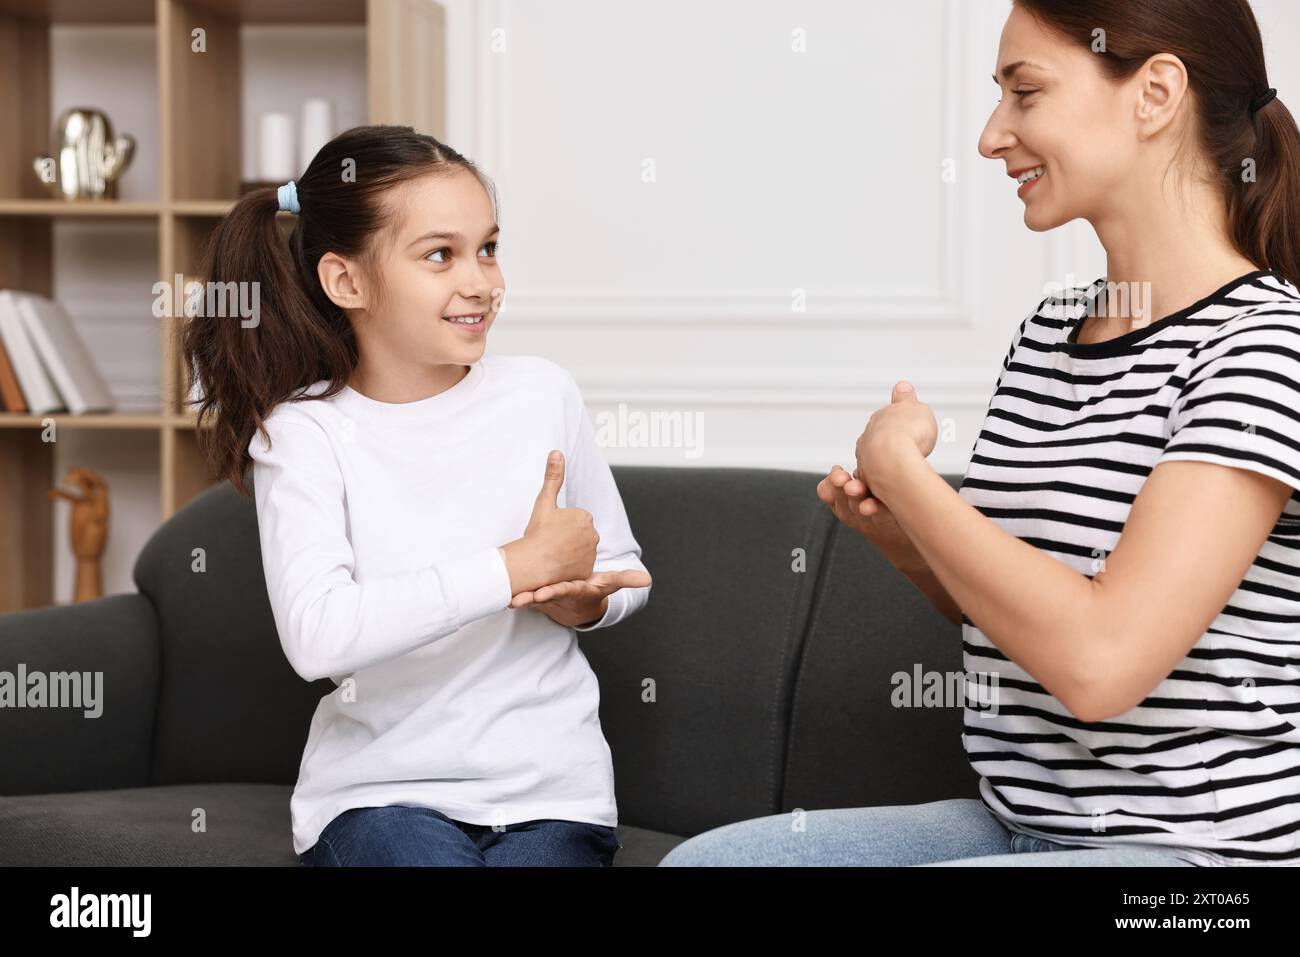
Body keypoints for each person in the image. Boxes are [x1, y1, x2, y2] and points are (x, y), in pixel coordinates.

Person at [662, 0, 1300, 867]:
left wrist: (911, 477)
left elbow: (1102, 664)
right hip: (1022, 827)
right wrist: (909, 538)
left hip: (1199, 866)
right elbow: (1014, 610)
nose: (992, 136)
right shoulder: (1048, 331)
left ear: (1154, 94)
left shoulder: (1262, 345)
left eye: (1025, 93)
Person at [183, 125, 652, 866]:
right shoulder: (304, 434)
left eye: (488, 248)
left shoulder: (542, 393)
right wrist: (515, 566)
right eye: (441, 255)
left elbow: (624, 569)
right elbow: (318, 635)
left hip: (553, 796)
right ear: (347, 281)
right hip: (381, 797)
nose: (481, 281)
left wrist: (582, 599)